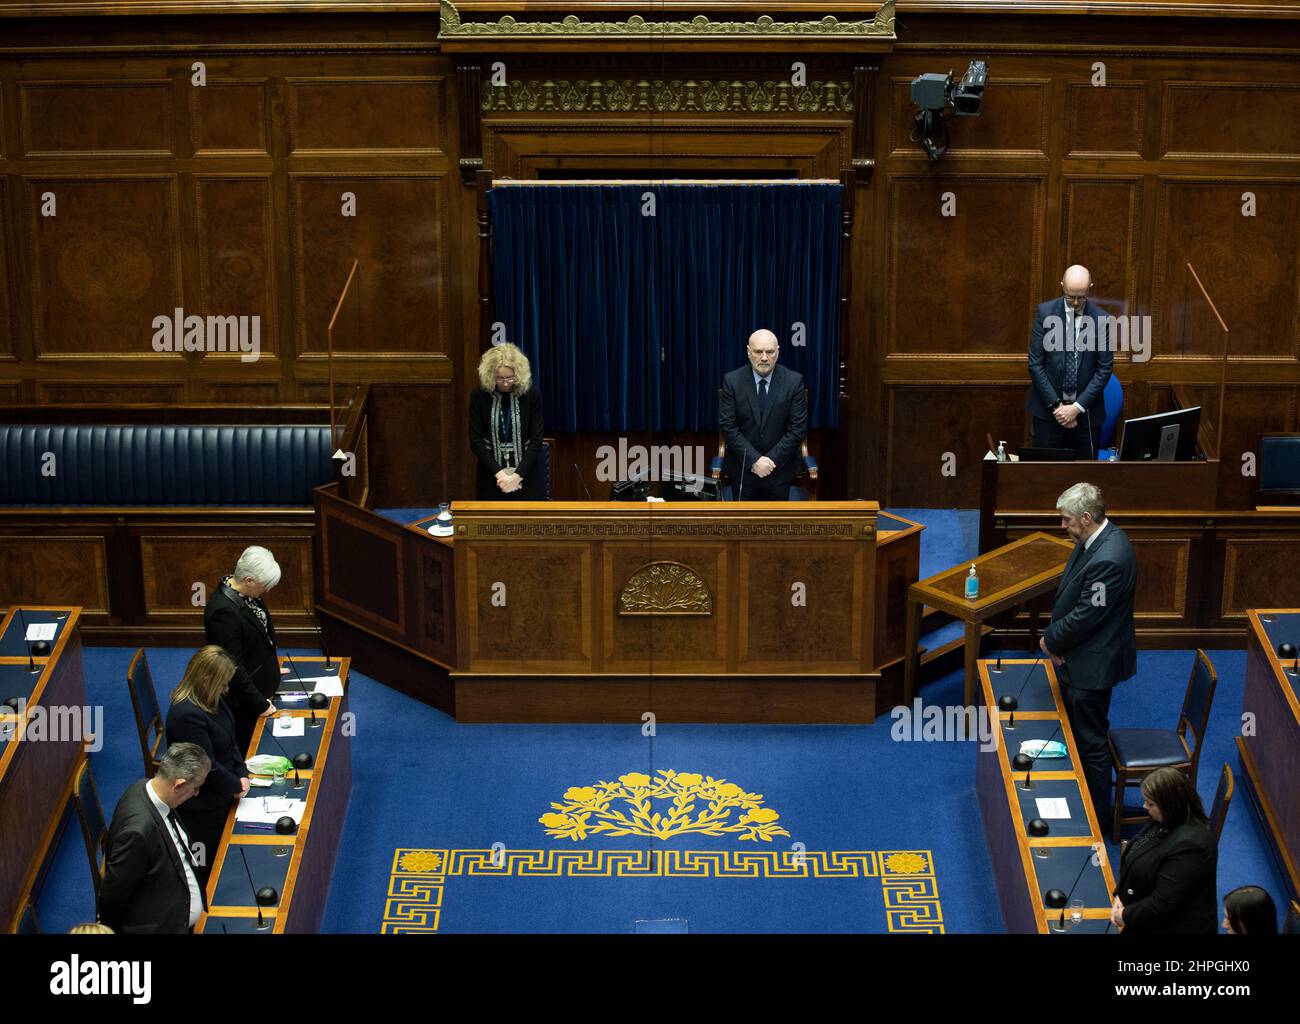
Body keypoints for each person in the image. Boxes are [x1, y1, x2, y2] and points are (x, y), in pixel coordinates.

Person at [1040, 482, 1136, 824]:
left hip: (1091, 666)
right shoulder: (1094, 540)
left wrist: (1051, 640)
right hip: (1082, 655)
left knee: (1091, 741)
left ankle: (1094, 816)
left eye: (1066, 520)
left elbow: (1088, 615)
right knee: (1081, 733)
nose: (1062, 526)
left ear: (1085, 516)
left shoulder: (1109, 558)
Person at [98, 742, 211, 934]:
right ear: (179, 784)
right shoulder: (137, 833)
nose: (196, 793)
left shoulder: (145, 787)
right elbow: (112, 897)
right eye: (195, 787)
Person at [165, 645, 250, 887]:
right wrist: (234, 785)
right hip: (201, 807)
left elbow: (230, 739)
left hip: (224, 788)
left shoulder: (214, 699)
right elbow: (207, 766)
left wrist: (241, 773)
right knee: (207, 872)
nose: (226, 689)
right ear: (205, 679)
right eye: (222, 683)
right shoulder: (186, 716)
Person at [1111, 767, 1218, 933]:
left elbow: (1161, 904)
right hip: (1144, 915)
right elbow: (1136, 852)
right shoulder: (1164, 820)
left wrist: (1124, 915)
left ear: (1171, 804)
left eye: (1151, 803)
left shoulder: (1191, 846)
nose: (1145, 806)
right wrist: (1121, 895)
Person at [1026, 264, 1113, 459]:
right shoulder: (1045, 313)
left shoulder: (1102, 320)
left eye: (1081, 297)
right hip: (1048, 414)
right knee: (1045, 476)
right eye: (1070, 296)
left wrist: (1076, 408)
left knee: (1084, 480)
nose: (1075, 303)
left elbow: (1104, 369)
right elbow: (1035, 364)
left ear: (1090, 287)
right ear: (1062, 286)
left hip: (1086, 415)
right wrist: (1058, 407)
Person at [204, 545, 283, 752]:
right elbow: (232, 667)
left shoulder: (248, 594)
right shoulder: (223, 612)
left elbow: (259, 634)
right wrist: (260, 704)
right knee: (253, 751)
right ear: (248, 580)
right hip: (245, 704)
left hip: (260, 683)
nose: (267, 590)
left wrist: (269, 664)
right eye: (265, 585)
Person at [718, 329, 808, 500]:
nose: (764, 357)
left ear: (778, 352)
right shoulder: (732, 381)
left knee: (777, 526)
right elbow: (728, 427)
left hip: (779, 471)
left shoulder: (794, 381)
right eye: (759, 351)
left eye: (770, 352)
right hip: (743, 469)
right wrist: (755, 460)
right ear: (748, 352)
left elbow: (797, 429)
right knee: (743, 525)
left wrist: (769, 462)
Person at [469, 343, 545, 500]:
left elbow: (536, 440)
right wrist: (501, 476)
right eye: (500, 378)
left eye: (510, 378)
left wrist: (516, 477)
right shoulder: (479, 396)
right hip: (491, 477)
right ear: (490, 375)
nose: (505, 383)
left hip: (527, 477)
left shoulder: (532, 395)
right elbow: (476, 441)